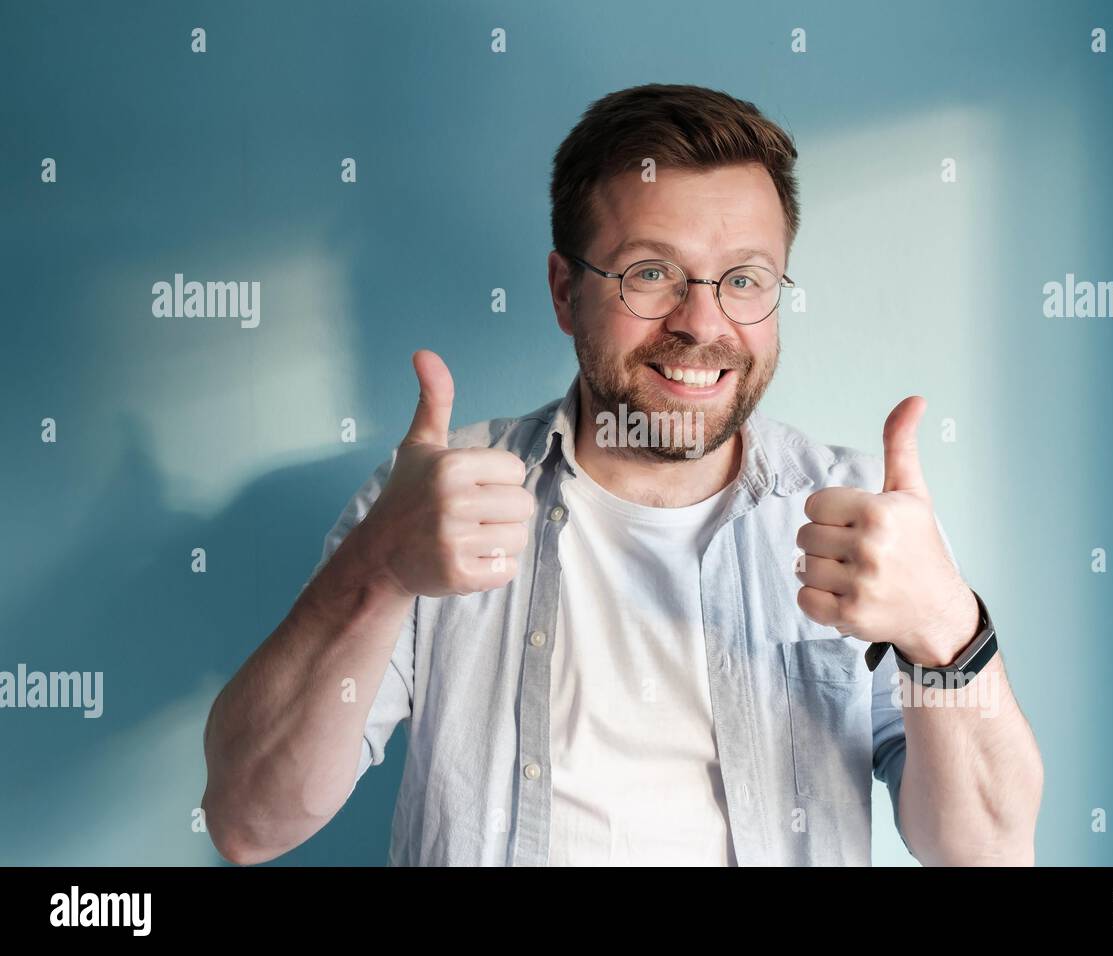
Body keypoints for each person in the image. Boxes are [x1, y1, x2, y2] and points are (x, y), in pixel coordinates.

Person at [202, 82, 1043, 866]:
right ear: (566, 291)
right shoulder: (428, 506)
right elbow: (250, 821)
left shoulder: (866, 524)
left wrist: (946, 629)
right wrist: (375, 571)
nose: (702, 322)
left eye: (744, 280)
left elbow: (987, 855)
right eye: (651, 273)